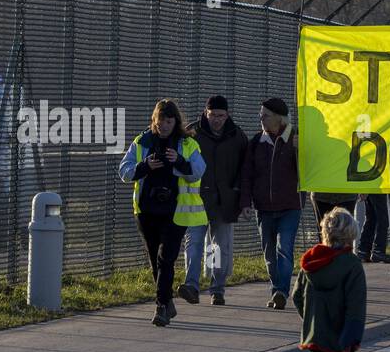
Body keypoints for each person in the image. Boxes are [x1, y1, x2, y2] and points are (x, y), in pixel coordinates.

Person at [118, 99, 207, 327]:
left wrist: (179, 162)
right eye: (161, 121)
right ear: (154, 120)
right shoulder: (142, 142)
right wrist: (144, 166)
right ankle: (167, 301)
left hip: (176, 211)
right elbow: (124, 171)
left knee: (165, 258)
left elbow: (198, 171)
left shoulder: (187, 144)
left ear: (175, 121)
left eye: (169, 121)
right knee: (154, 259)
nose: (165, 125)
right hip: (147, 210)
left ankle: (161, 307)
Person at [294, 208, 366, 352]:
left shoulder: (310, 262)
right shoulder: (352, 264)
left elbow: (297, 296)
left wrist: (310, 319)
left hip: (317, 331)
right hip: (344, 331)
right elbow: (356, 302)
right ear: (351, 235)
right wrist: (353, 331)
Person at [179, 95, 247, 306]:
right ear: (205, 113)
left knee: (219, 247)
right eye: (212, 115)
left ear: (227, 115)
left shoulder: (237, 136)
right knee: (195, 244)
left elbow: (245, 169)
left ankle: (217, 288)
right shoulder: (192, 134)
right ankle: (192, 285)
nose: (216, 119)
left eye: (220, 115)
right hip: (196, 199)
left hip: (224, 201)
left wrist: (240, 196)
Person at [241, 97, 303, 309]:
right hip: (264, 208)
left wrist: (299, 151)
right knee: (269, 253)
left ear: (279, 118)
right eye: (260, 115)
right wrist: (246, 202)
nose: (261, 119)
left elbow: (307, 171)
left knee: (284, 249)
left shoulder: (296, 139)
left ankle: (281, 292)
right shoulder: (256, 143)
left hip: (290, 206)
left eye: (265, 115)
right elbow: (247, 174)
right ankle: (276, 287)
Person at [356, 193, 390, 263]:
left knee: (372, 218)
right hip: (378, 188)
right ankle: (378, 250)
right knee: (382, 219)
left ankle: (363, 250)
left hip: (371, 186)